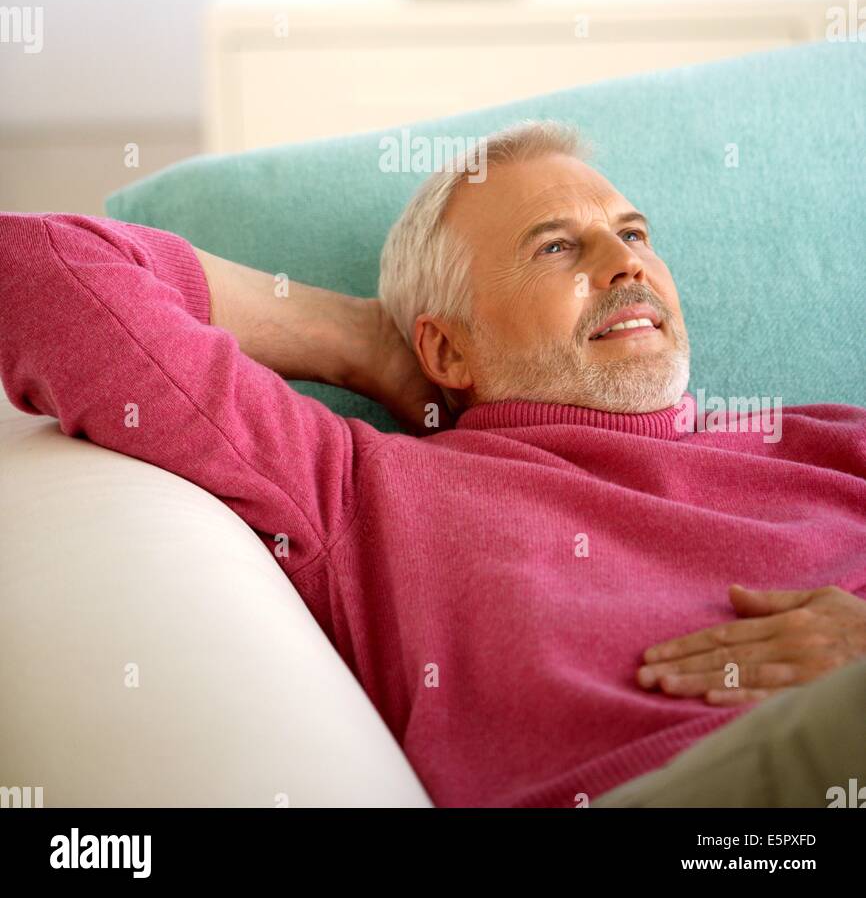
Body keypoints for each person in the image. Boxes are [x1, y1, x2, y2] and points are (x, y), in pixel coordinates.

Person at [1, 119, 864, 808]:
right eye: (557, 247)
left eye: (633, 232)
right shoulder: (360, 489)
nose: (626, 262)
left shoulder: (831, 441)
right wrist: (357, 339)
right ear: (446, 349)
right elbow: (34, 270)